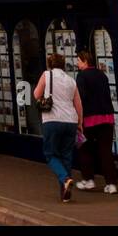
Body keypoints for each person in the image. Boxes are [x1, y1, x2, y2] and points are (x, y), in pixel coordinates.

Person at [34, 52, 83, 202]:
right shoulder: (71, 80)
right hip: (71, 121)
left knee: (51, 154)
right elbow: (78, 104)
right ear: (63, 65)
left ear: (50, 64)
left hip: (52, 120)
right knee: (66, 156)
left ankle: (65, 179)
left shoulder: (46, 75)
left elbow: (37, 94)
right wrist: (80, 123)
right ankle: (65, 194)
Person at [75, 50, 118, 195]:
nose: (77, 63)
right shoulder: (102, 74)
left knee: (85, 148)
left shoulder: (81, 77)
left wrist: (78, 119)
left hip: (89, 118)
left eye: (79, 60)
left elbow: (81, 98)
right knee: (106, 151)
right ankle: (111, 184)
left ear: (85, 61)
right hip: (106, 117)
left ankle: (89, 180)